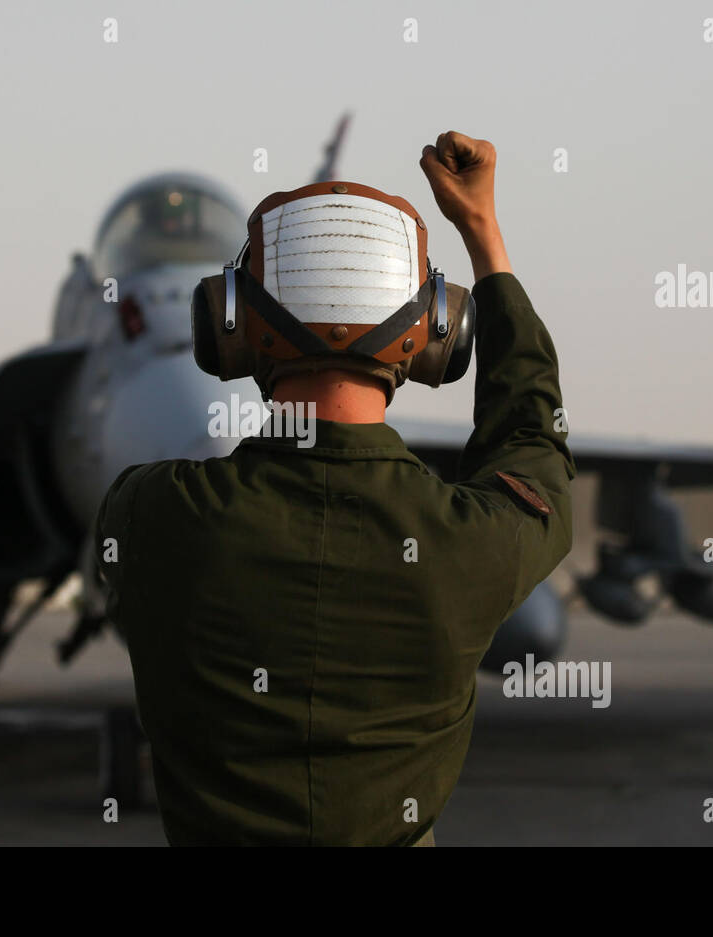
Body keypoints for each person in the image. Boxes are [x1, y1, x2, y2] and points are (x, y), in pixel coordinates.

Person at [95, 131, 575, 845]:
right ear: (440, 331)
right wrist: (483, 233)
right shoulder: (473, 542)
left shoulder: (150, 515)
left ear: (230, 325)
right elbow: (532, 440)